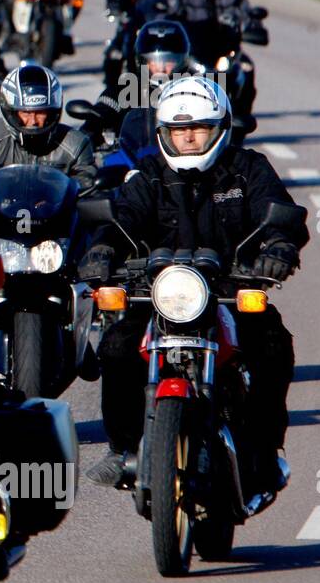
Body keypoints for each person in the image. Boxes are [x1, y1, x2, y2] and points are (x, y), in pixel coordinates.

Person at [78, 76, 308, 490]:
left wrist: (278, 247)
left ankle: (264, 450)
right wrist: (103, 249)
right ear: (164, 132)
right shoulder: (148, 173)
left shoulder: (247, 168)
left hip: (231, 292)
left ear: (219, 129)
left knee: (273, 347)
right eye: (179, 130)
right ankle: (124, 449)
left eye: (198, 128)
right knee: (115, 348)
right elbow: (123, 218)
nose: (188, 138)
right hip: (160, 295)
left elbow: (279, 211)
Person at [0, 63, 95, 189]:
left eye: (40, 113)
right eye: (26, 113)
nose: (33, 121)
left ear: (52, 112)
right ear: (12, 112)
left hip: (55, 211)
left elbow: (86, 185)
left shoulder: (76, 145)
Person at [168, 0, 261, 113]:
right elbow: (170, 17)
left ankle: (241, 112)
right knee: (166, 69)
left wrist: (253, 26)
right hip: (193, 53)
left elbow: (248, 16)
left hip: (224, 53)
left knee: (247, 67)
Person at [88, 18, 193, 141]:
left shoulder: (194, 90)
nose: (161, 68)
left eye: (169, 61)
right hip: (132, 158)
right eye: (154, 61)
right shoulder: (125, 90)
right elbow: (102, 111)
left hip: (184, 156)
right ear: (142, 61)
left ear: (182, 61)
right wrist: (94, 123)